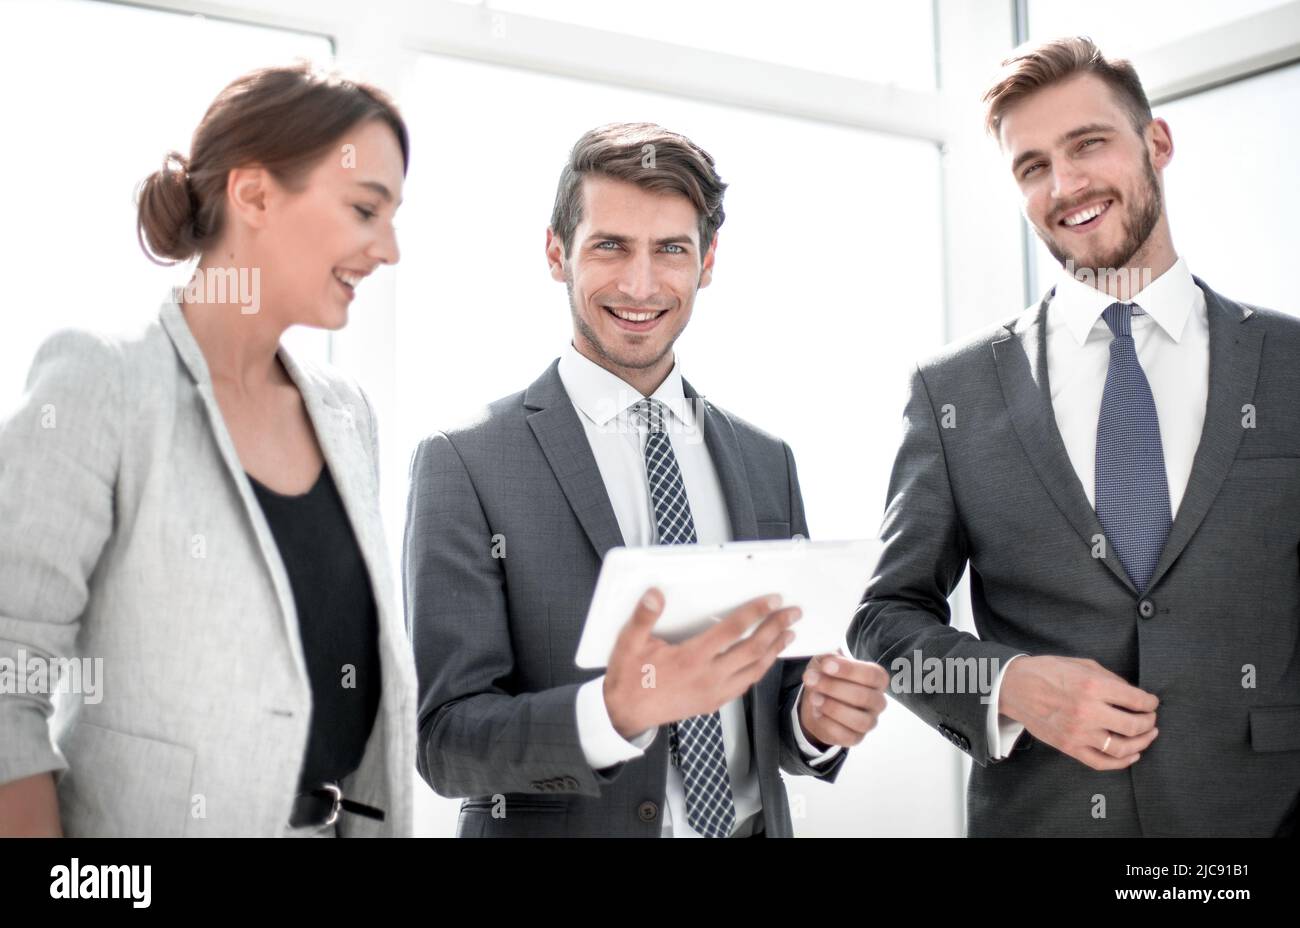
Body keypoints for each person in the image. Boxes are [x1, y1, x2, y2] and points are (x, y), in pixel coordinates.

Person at [850, 37, 1300, 836]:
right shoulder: (952, 391)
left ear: (1156, 143)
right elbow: (885, 622)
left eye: (1089, 143)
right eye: (1032, 167)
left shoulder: (1290, 362)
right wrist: (1009, 684)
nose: (1066, 186)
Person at [404, 122, 888, 837]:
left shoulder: (766, 462)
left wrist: (813, 719)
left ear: (708, 261)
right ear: (555, 252)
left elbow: (778, 701)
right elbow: (446, 744)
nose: (641, 284)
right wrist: (615, 711)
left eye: (670, 250)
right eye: (610, 246)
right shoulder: (465, 460)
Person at [0, 63, 416, 837]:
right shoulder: (106, 381)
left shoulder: (347, 416)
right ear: (254, 195)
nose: (387, 249)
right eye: (366, 209)